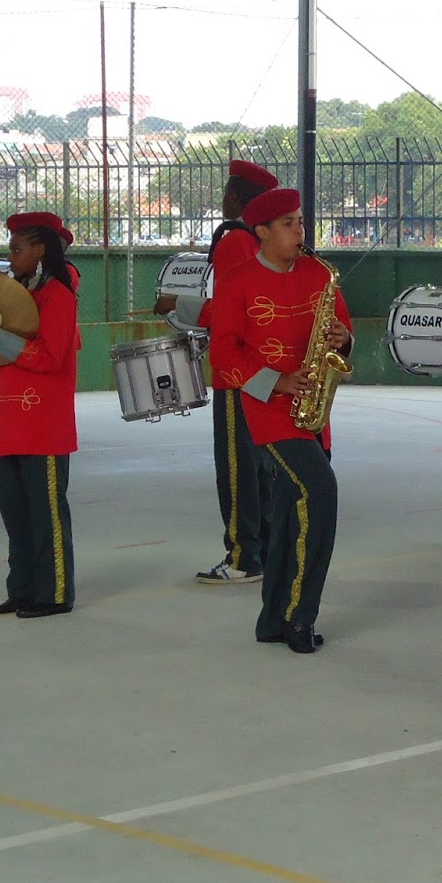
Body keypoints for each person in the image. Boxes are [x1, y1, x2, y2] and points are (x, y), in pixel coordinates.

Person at [212, 187, 353, 655]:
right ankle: (300, 615)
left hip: (315, 407)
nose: (300, 230)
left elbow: (343, 331)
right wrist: (276, 382)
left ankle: (271, 618)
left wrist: (343, 336)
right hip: (270, 409)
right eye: (289, 223)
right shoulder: (236, 280)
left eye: (300, 221)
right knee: (321, 492)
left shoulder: (318, 274)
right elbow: (223, 353)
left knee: (292, 514)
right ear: (263, 232)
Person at [156, 159, 279, 585]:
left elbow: (228, 313)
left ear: (239, 197)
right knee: (260, 465)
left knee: (235, 465)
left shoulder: (232, 241)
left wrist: (177, 305)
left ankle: (244, 556)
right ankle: (263, 548)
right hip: (264, 370)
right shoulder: (265, 244)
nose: (222, 198)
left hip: (234, 371)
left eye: (227, 190)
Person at [0, 212, 83, 619]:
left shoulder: (58, 296)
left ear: (41, 249)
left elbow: (52, 358)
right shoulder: (19, 298)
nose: (11, 256)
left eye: (18, 248)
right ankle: (21, 588)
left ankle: (55, 592)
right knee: (15, 513)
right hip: (9, 422)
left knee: (47, 514)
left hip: (43, 423)